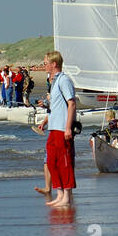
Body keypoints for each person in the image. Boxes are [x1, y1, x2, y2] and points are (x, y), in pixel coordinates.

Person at [36, 51, 76, 207]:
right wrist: (45, 120)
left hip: (62, 127)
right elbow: (57, 106)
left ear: (53, 64)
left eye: (45, 63)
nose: (44, 65)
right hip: (53, 127)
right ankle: (59, 193)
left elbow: (71, 103)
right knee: (52, 162)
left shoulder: (64, 80)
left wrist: (68, 128)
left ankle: (66, 195)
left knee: (64, 162)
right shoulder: (54, 81)